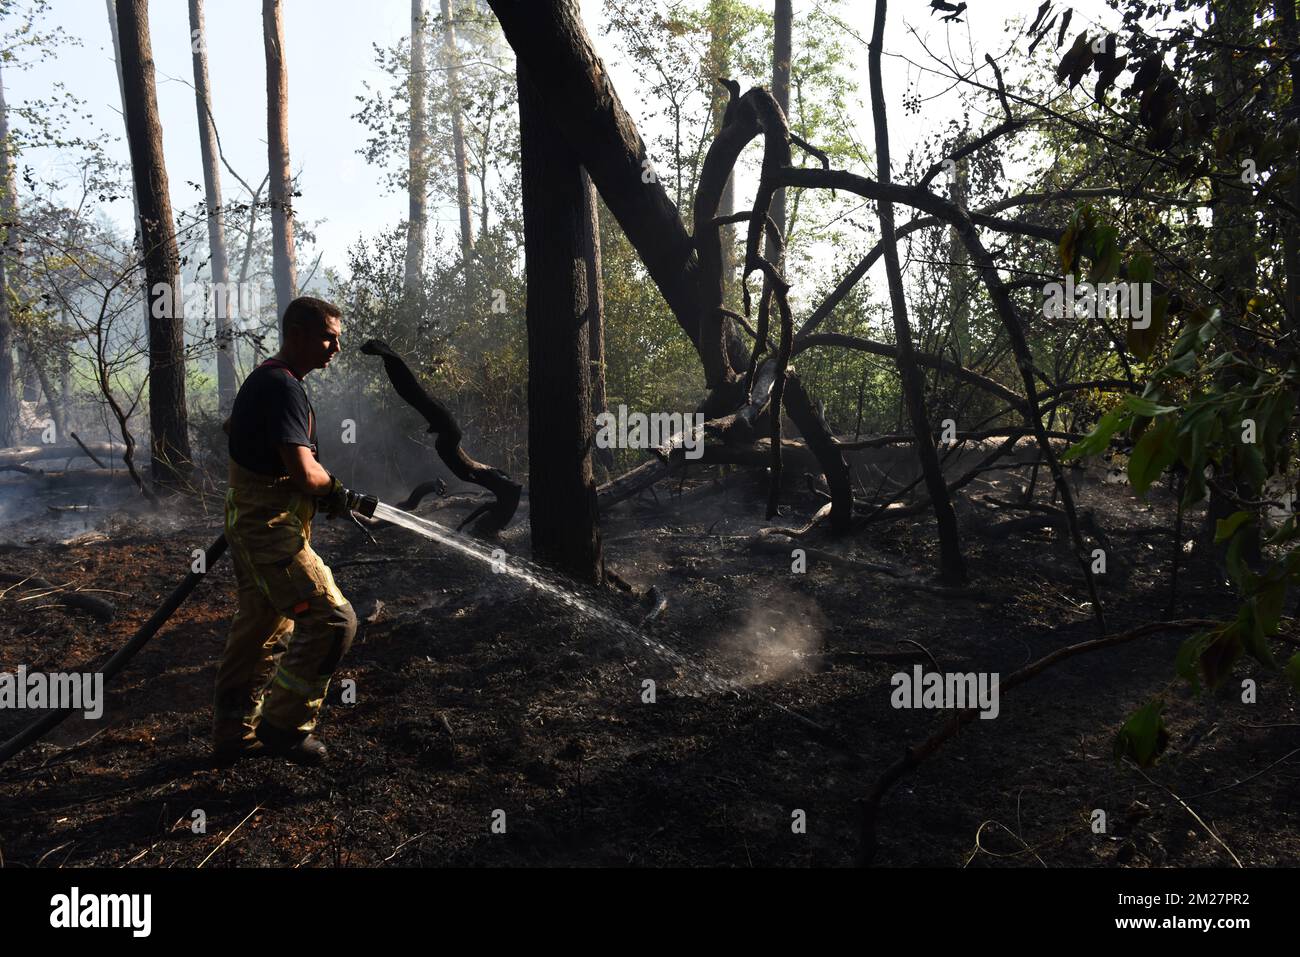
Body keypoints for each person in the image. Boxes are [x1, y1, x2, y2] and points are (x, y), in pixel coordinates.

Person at [212, 296, 368, 766]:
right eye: (328, 337)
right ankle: (284, 727)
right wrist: (336, 490)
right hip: (269, 530)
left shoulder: (269, 380)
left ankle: (232, 736)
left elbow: (238, 432)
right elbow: (303, 471)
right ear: (297, 333)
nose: (335, 347)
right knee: (334, 619)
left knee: (259, 629)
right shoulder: (283, 387)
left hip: (253, 522)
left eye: (338, 339)